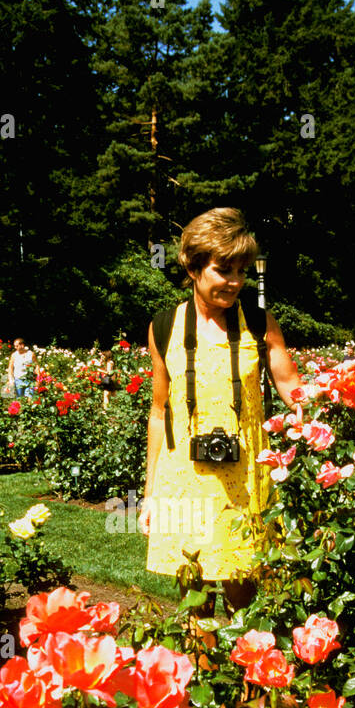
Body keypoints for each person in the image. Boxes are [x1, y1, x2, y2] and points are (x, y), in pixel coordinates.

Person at [138, 207, 307, 619]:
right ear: (194, 267)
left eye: (241, 271)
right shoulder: (163, 327)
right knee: (194, 598)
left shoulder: (259, 323)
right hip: (184, 479)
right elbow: (160, 412)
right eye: (223, 270)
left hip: (245, 479)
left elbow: (293, 389)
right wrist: (148, 493)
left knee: (242, 594)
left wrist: (327, 411)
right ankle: (201, 676)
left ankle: (240, 677)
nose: (234, 282)